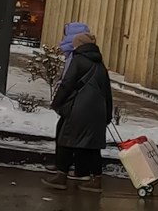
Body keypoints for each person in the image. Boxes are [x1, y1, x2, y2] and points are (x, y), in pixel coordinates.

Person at [44, 32, 113, 192]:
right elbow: (107, 92)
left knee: (66, 139)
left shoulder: (78, 60)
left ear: (80, 45)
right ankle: (96, 181)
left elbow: (67, 84)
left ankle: (61, 177)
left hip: (78, 108)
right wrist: (107, 114)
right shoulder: (100, 64)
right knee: (92, 145)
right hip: (97, 111)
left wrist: (57, 102)